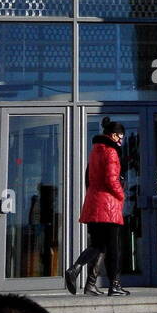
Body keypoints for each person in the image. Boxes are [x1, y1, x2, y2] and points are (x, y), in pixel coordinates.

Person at [64, 116, 130, 298]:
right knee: (114, 248)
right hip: (108, 206)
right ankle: (114, 286)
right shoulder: (111, 152)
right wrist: (121, 194)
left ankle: (80, 273)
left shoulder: (95, 151)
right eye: (121, 136)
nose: (122, 139)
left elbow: (89, 178)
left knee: (99, 245)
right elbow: (111, 179)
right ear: (114, 135)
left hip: (94, 203)